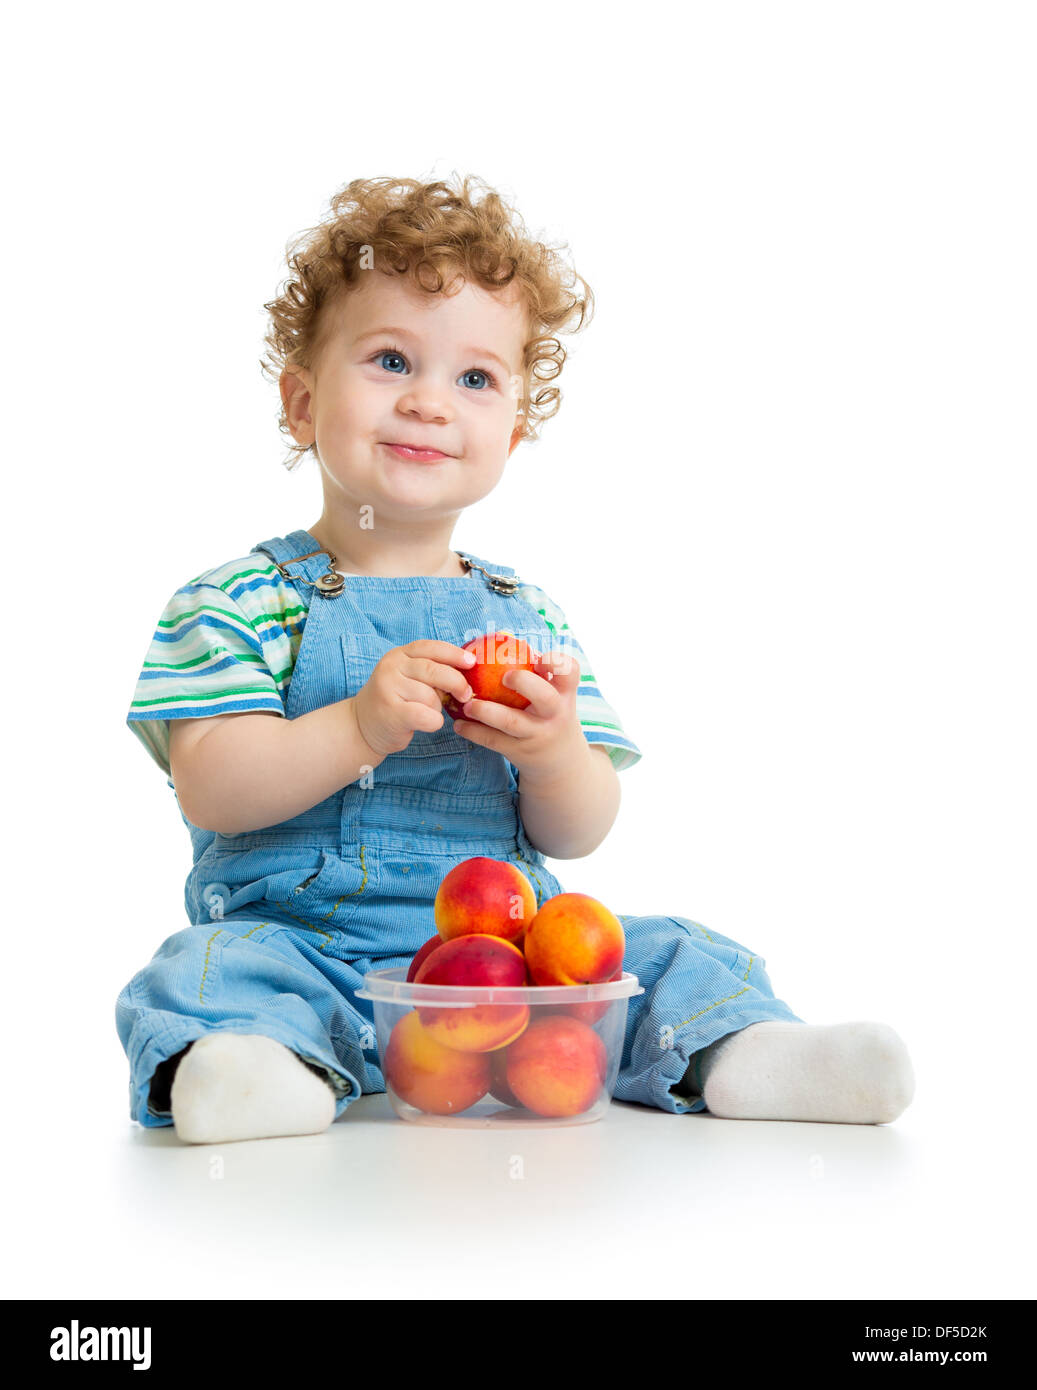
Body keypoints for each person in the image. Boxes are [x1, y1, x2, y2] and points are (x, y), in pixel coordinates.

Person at [116, 173, 915, 1143]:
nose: (425, 402)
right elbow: (212, 788)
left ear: (512, 430)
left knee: (656, 953)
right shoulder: (233, 602)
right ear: (298, 401)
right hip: (304, 952)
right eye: (387, 359)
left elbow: (579, 828)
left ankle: (742, 1053)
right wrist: (358, 724)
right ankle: (260, 1067)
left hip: (507, 982)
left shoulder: (526, 620)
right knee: (206, 971)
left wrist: (552, 752)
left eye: (474, 379)